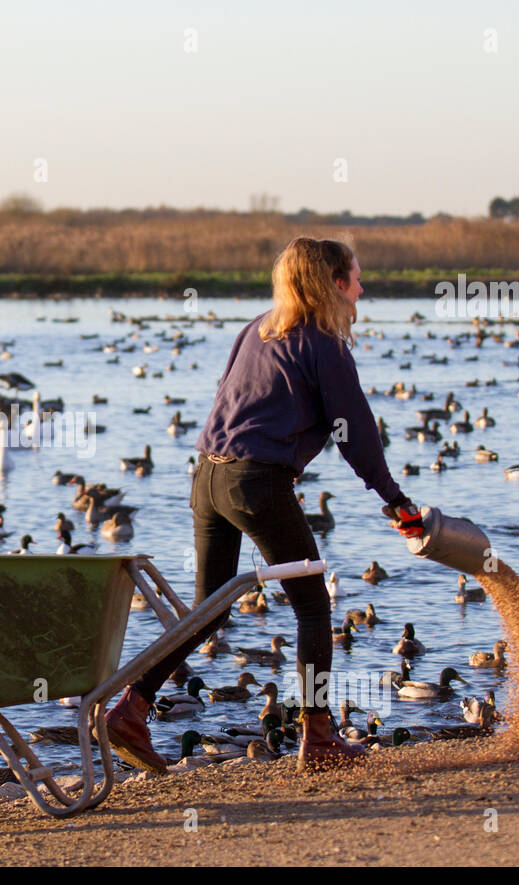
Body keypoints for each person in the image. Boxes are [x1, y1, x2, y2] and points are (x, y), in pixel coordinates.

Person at [104, 237, 423, 773]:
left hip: (207, 477)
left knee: (208, 610)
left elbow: (229, 400)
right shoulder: (324, 344)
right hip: (255, 483)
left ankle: (129, 711)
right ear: (332, 284)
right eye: (355, 280)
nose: (361, 290)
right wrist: (397, 502)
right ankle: (319, 740)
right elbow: (358, 434)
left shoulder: (257, 328)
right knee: (313, 605)